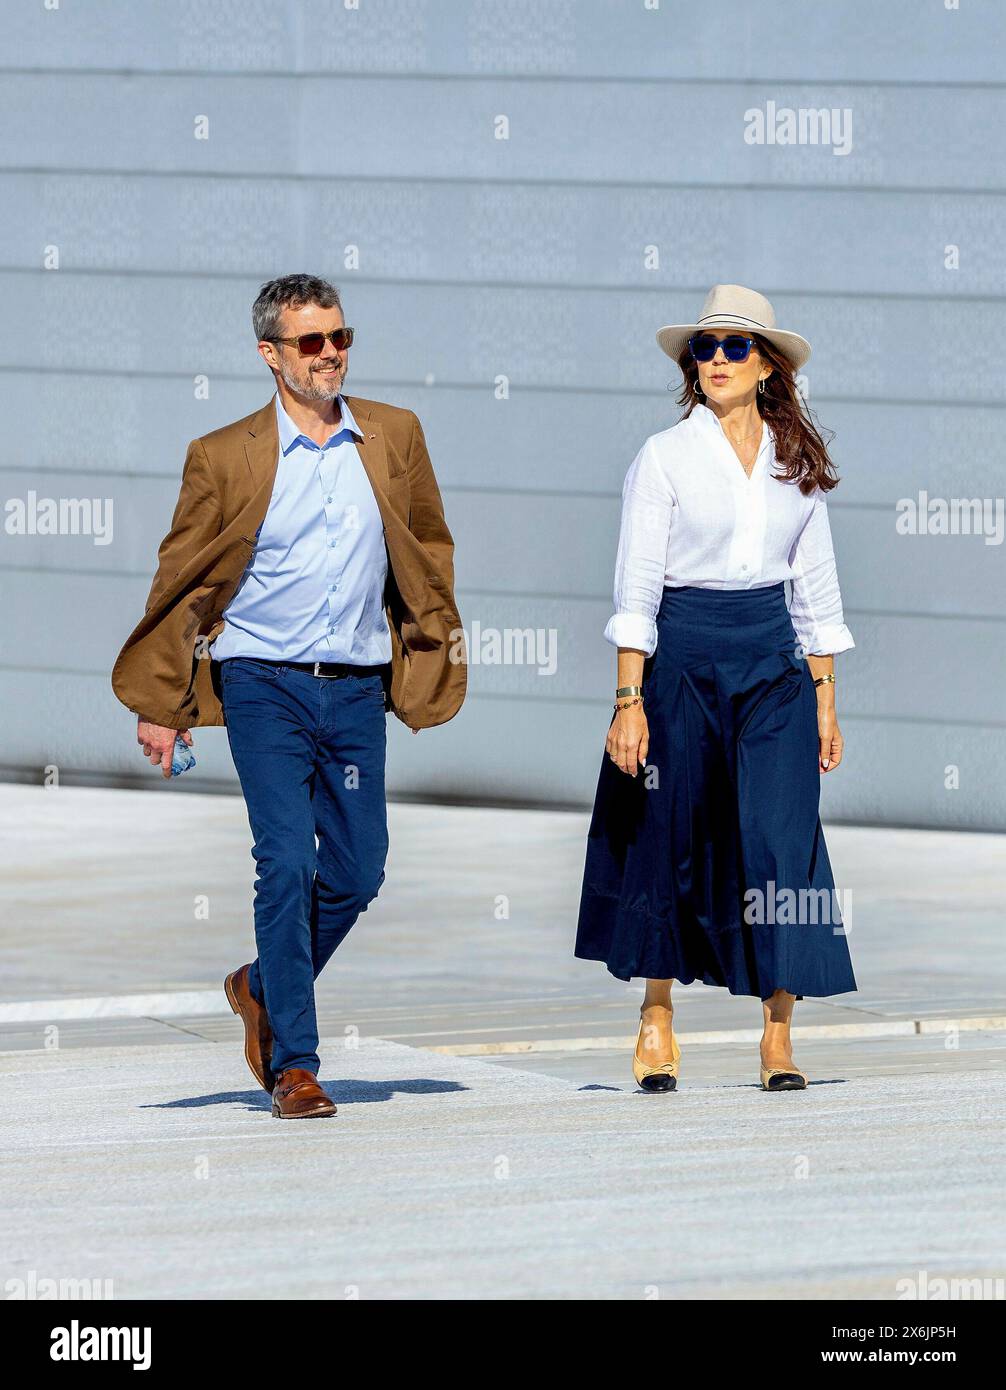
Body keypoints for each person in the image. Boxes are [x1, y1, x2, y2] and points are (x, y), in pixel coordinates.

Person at [112, 274, 466, 1119]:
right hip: (261, 682)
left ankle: (261, 984)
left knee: (358, 867)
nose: (331, 355)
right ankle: (296, 1066)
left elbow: (428, 548)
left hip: (353, 689)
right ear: (270, 354)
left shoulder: (393, 436)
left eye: (340, 338)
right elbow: (183, 584)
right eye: (311, 343)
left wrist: (429, 654)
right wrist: (162, 702)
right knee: (287, 862)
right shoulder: (223, 455)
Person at [575, 284, 857, 1094]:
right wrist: (628, 704)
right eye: (705, 348)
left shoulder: (792, 460)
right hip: (682, 662)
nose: (719, 361)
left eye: (737, 347)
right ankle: (658, 1009)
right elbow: (636, 591)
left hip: (773, 667)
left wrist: (826, 699)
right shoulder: (663, 457)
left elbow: (816, 588)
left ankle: (777, 1034)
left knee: (780, 840)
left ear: (768, 364)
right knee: (670, 827)